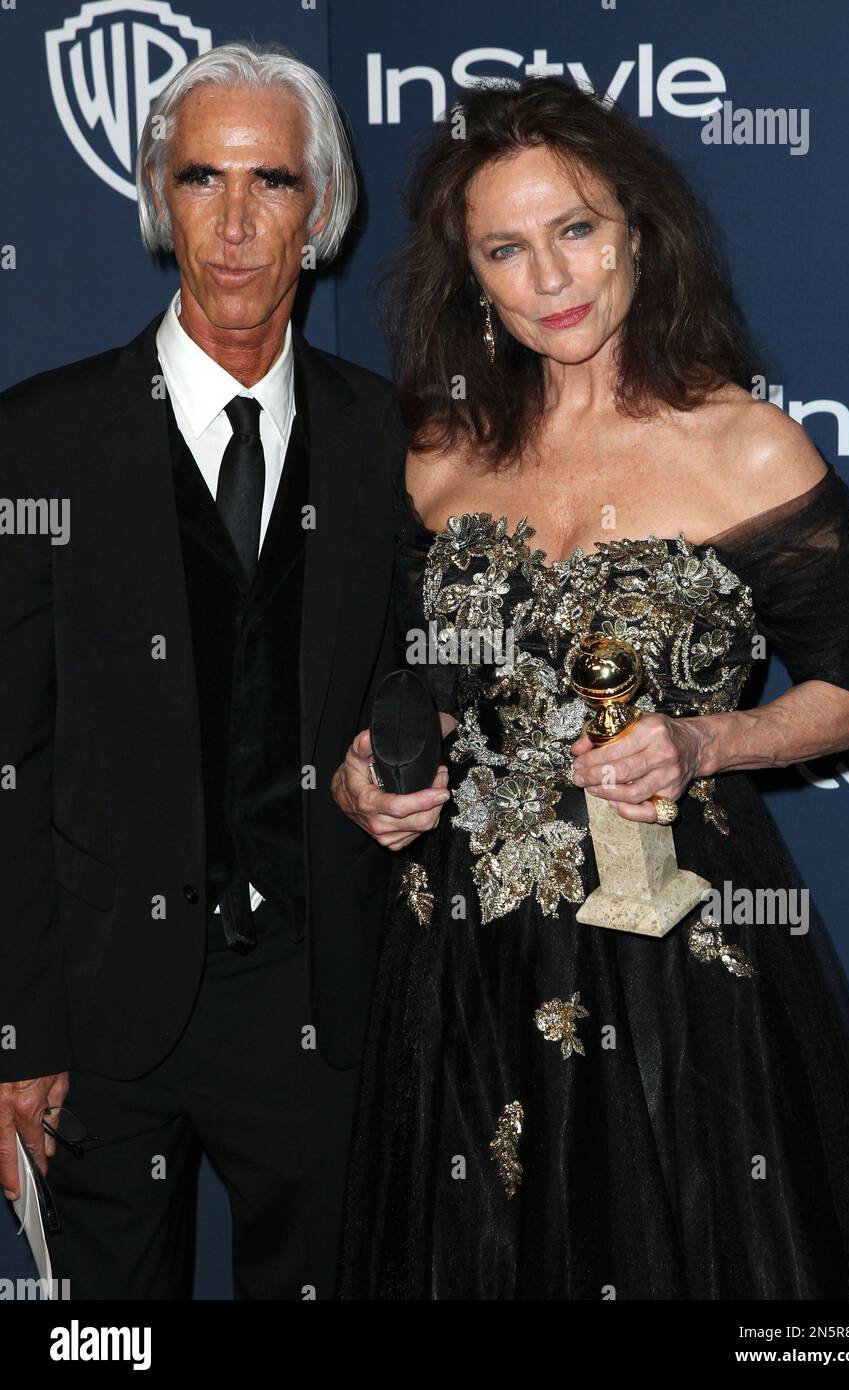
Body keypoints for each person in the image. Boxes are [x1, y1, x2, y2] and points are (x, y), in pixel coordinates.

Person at [331, 76, 849, 1299]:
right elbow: (430, 687)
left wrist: (701, 742)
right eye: (506, 247)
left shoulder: (741, 446)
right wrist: (371, 776)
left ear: (638, 234)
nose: (550, 278)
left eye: (576, 229)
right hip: (463, 954)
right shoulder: (437, 456)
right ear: (470, 277)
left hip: (670, 954)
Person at [0, 40, 420, 1299]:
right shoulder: (36, 439)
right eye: (201, 179)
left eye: (272, 182)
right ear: (156, 200)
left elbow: (423, 683)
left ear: (323, 211)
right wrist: (17, 1029)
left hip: (321, 1001)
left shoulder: (391, 440)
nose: (235, 225)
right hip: (98, 1010)